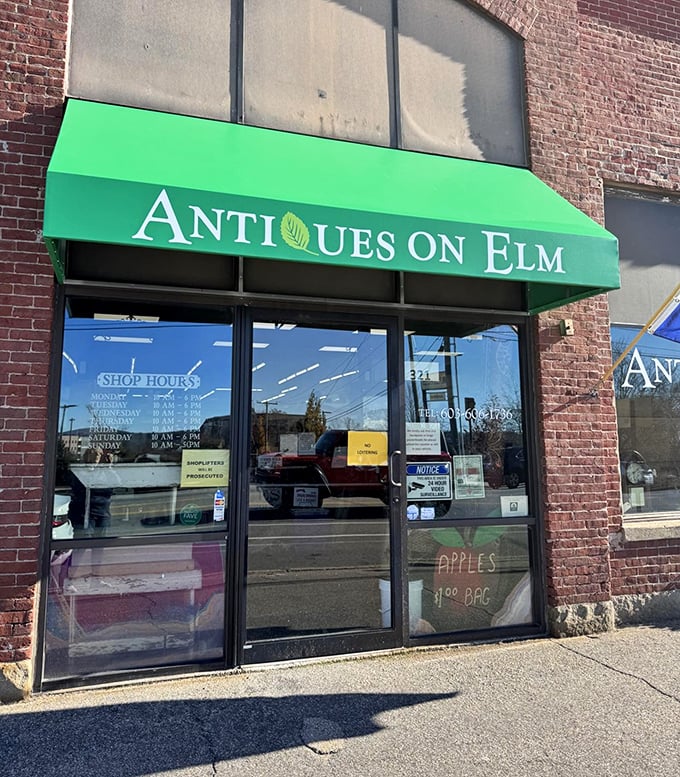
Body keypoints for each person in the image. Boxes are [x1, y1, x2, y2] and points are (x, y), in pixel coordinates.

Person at [67, 447, 113, 531]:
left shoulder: (104, 472)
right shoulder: (79, 471)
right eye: (93, 454)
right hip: (83, 514)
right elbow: (79, 489)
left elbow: (117, 482)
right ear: (86, 456)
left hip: (102, 513)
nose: (96, 457)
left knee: (102, 541)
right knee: (83, 540)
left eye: (98, 455)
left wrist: (109, 467)